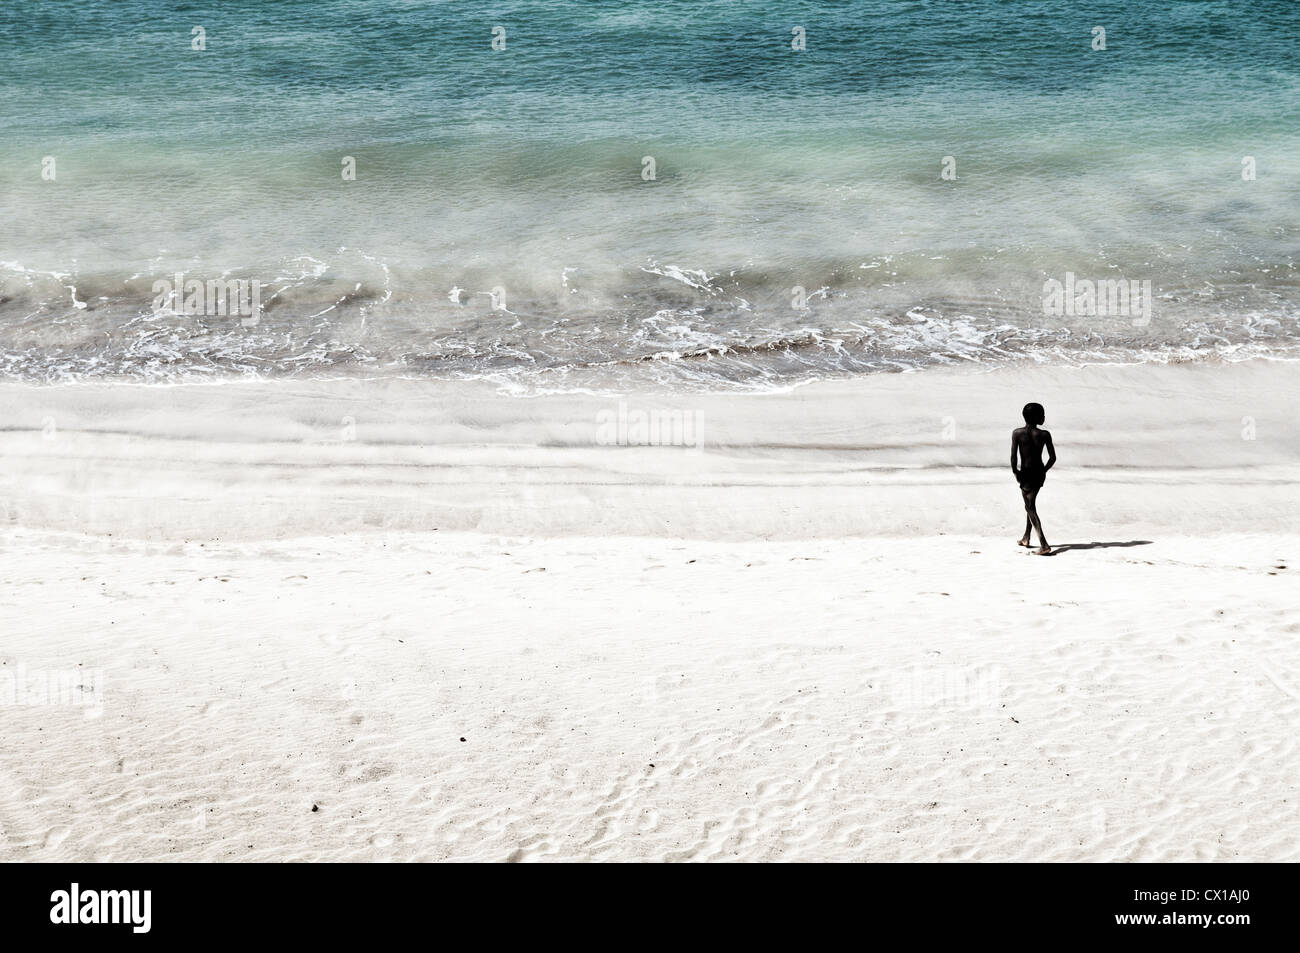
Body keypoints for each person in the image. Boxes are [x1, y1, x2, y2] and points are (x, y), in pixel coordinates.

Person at [1011, 402, 1056, 555]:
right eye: (1042, 414)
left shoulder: (1017, 433)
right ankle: (1026, 537)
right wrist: (1044, 471)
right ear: (1035, 417)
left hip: (1025, 474)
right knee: (1030, 504)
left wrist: (1016, 472)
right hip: (1038, 473)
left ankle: (1044, 544)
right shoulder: (1044, 434)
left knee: (1029, 507)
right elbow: (1052, 458)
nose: (1044, 417)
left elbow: (1013, 457)